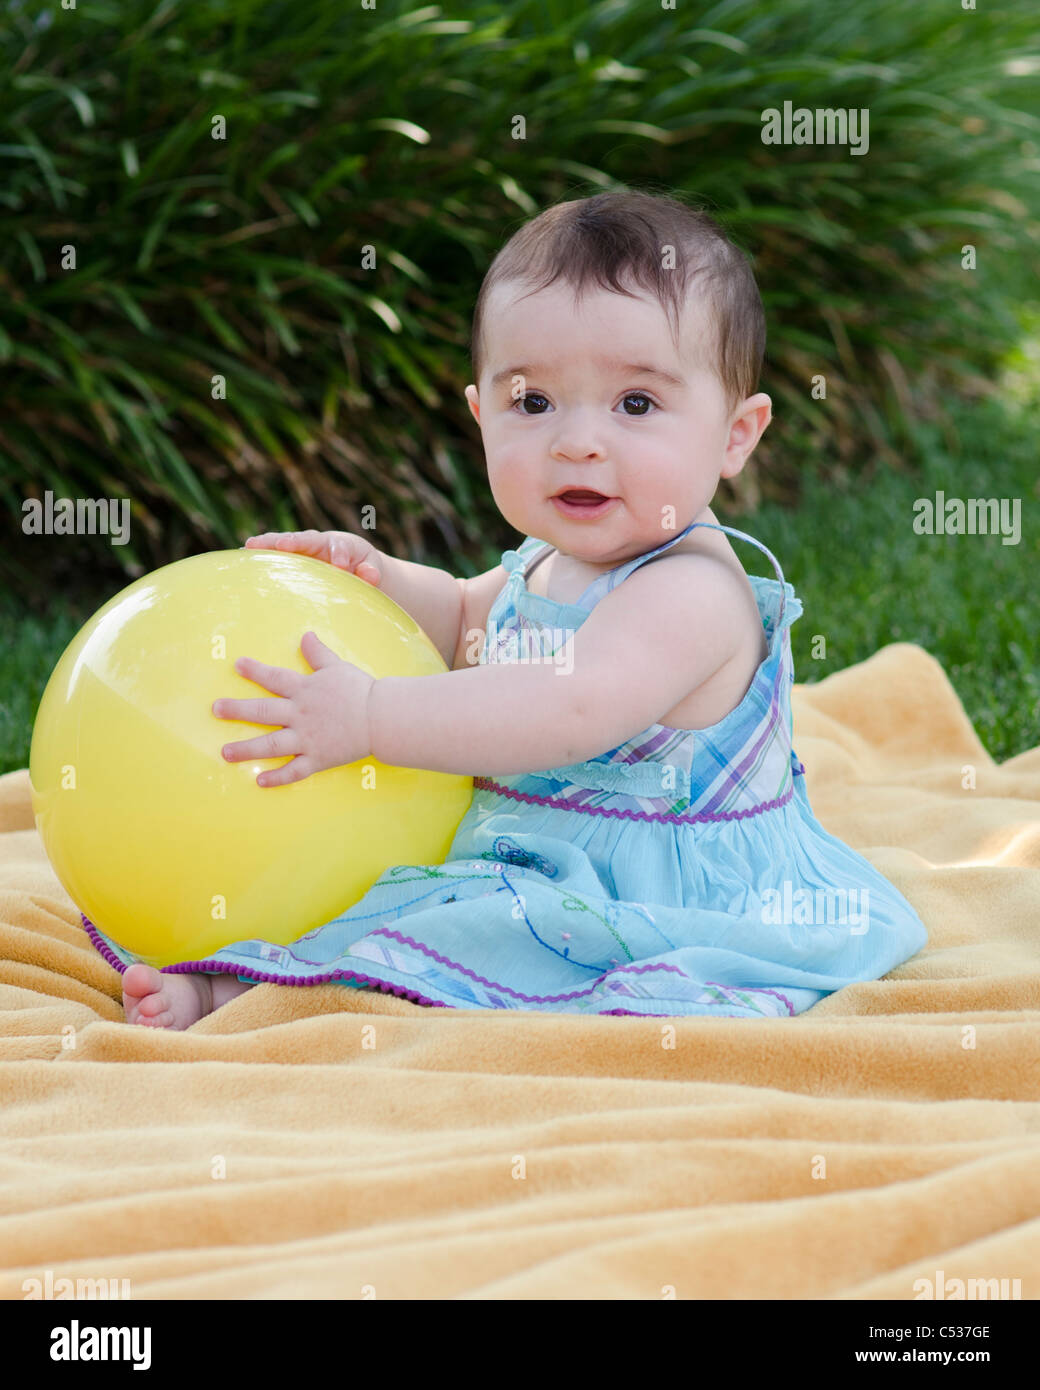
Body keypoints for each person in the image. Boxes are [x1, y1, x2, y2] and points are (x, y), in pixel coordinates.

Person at [92, 188, 928, 1028]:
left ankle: (248, 991)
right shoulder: (548, 563)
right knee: (378, 881)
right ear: (480, 413)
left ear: (735, 435)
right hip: (533, 855)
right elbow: (465, 623)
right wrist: (376, 580)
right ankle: (246, 964)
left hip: (654, 891)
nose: (578, 440)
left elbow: (573, 703)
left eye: (636, 404)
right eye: (533, 402)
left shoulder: (692, 588)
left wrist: (373, 715)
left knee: (464, 926)